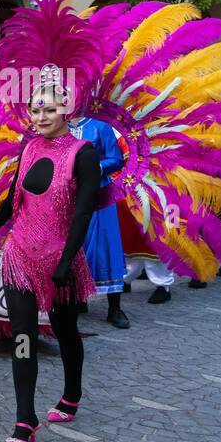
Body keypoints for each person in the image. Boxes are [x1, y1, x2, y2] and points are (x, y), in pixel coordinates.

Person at [0, 0, 107, 442]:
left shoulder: (82, 153)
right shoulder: (28, 149)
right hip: (22, 257)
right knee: (23, 336)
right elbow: (13, 201)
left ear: (66, 109)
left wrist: (67, 260)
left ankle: (71, 393)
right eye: (35, 109)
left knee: (66, 331)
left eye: (48, 109)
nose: (40, 116)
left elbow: (83, 211)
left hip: (62, 260)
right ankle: (24, 420)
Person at [71, 115, 129, 327]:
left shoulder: (100, 127)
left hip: (100, 195)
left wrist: (93, 167)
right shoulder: (57, 126)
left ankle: (115, 308)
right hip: (69, 197)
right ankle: (77, 299)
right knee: (74, 246)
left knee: (106, 247)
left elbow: (116, 159)